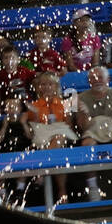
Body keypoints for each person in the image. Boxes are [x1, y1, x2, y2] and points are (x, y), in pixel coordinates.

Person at [76, 65, 112, 200]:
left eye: (100, 77)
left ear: (108, 80)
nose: (97, 80)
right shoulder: (80, 98)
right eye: (93, 78)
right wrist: (85, 114)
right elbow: (82, 127)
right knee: (87, 145)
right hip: (93, 131)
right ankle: (93, 187)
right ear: (89, 81)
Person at [24, 72, 77, 201]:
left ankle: (41, 171)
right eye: (43, 84)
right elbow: (33, 129)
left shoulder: (64, 103)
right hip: (43, 138)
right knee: (58, 155)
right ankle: (62, 190)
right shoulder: (34, 105)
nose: (47, 87)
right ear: (39, 87)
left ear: (56, 86)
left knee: (59, 139)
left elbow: (69, 125)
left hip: (63, 137)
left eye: (50, 84)